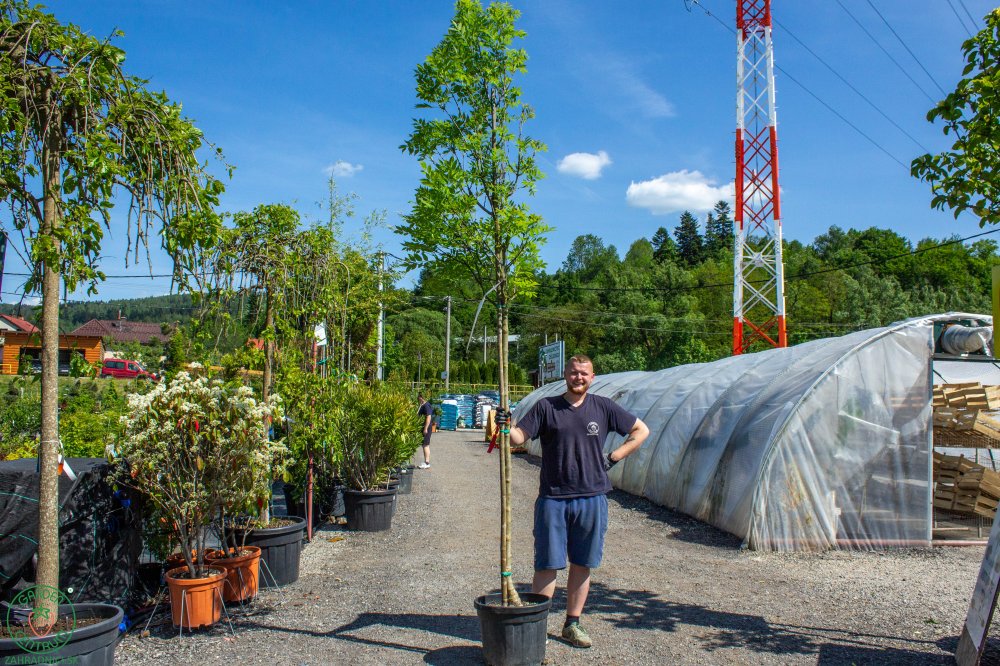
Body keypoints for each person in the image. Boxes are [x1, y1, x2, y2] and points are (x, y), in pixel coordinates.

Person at [499, 354, 649, 649]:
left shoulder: (603, 407)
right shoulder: (546, 407)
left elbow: (641, 430)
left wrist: (615, 457)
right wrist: (506, 424)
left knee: (582, 563)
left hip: (592, 498)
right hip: (553, 499)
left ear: (592, 377)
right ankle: (537, 625)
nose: (578, 377)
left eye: (584, 373)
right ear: (565, 376)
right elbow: (518, 438)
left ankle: (572, 623)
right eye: (573, 372)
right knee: (547, 564)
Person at [416, 393, 433, 469]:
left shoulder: (426, 406)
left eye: (418, 397)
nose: (417, 399)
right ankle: (426, 461)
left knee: (426, 445)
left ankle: (427, 462)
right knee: (424, 445)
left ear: (421, 397)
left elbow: (428, 417)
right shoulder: (422, 405)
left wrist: (425, 428)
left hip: (426, 427)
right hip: (423, 427)